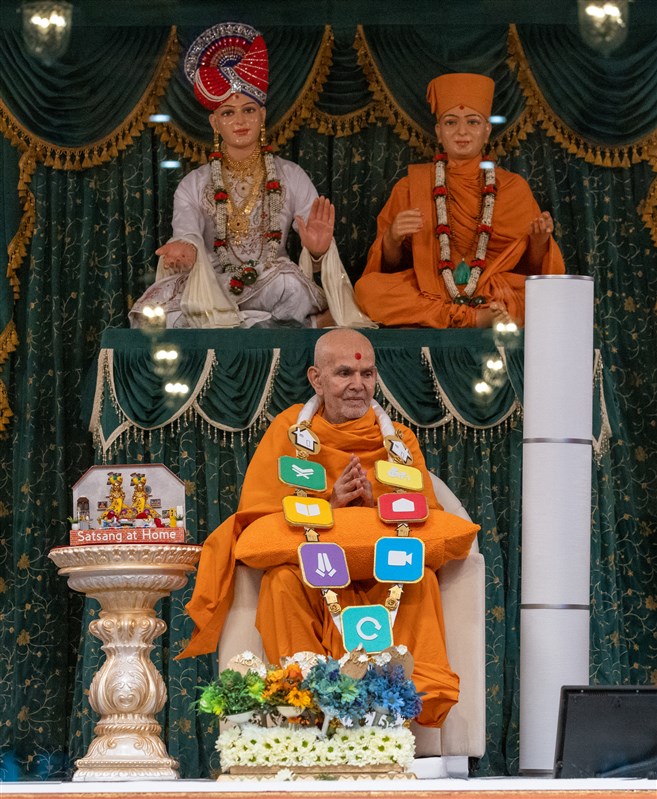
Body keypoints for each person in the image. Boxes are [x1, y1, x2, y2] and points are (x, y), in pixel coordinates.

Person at [179, 329, 479, 728]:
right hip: (311, 575)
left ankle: (396, 703)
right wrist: (329, 505)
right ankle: (306, 698)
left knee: (417, 577)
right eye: (343, 373)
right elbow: (259, 514)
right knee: (280, 581)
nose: (358, 385)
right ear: (316, 379)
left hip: (382, 572)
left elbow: (429, 513)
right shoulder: (289, 433)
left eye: (367, 373)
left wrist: (378, 505)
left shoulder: (400, 440)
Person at [130, 22, 373, 330]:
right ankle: (280, 324)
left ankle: (244, 323)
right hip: (214, 283)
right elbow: (187, 231)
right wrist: (187, 249)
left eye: (248, 110)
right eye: (228, 114)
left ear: (262, 116)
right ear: (215, 123)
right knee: (151, 314)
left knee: (288, 284)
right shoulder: (194, 184)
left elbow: (314, 246)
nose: (240, 121)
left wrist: (318, 250)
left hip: (271, 281)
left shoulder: (290, 175)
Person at [354, 72, 565, 328]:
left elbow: (531, 267)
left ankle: (462, 316)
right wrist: (392, 238)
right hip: (428, 289)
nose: (462, 131)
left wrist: (539, 241)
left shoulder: (513, 188)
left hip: (492, 290)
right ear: (439, 132)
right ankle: (474, 318)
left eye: (473, 122)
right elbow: (389, 267)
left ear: (487, 131)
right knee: (368, 290)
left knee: (543, 297)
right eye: (451, 122)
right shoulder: (411, 186)